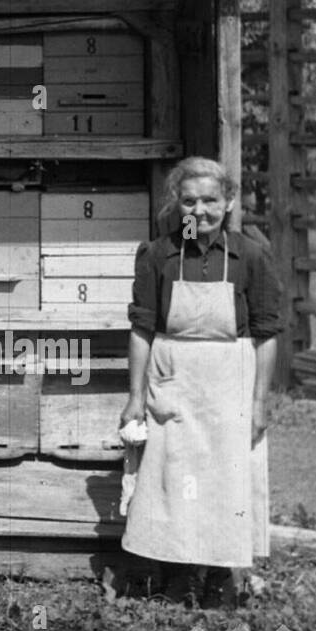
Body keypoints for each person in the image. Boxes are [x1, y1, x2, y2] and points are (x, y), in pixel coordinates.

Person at [120, 157, 282, 606]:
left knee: (225, 480)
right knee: (171, 477)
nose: (200, 211)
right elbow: (142, 329)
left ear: (228, 201)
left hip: (231, 382)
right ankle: (177, 575)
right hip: (173, 381)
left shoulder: (250, 255)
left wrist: (259, 402)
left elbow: (267, 334)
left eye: (210, 200)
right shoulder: (158, 256)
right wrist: (135, 396)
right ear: (178, 203)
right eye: (189, 200)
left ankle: (218, 577)